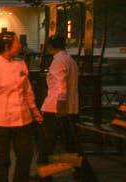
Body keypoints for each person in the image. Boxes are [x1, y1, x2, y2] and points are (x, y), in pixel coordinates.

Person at [0, 31, 43, 182]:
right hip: (2, 120)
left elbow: (28, 91)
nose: (19, 45)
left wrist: (34, 110)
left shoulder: (20, 64)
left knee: (26, 154)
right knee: (3, 157)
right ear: (7, 46)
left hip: (23, 118)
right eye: (16, 43)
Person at [37, 35, 92, 180]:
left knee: (46, 145)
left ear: (50, 47)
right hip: (70, 109)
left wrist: (60, 108)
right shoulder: (70, 60)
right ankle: (84, 174)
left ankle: (45, 174)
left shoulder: (58, 62)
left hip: (55, 109)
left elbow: (61, 87)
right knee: (72, 145)